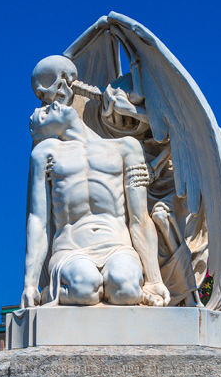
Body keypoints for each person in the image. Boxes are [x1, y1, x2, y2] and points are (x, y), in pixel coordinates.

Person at [21, 101, 169, 308]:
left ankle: (135, 290)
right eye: (43, 115)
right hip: (72, 250)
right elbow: (38, 220)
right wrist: (30, 284)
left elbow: (139, 218)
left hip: (118, 246)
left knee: (125, 289)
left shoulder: (126, 147)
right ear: (41, 133)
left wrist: (154, 279)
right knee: (84, 287)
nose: (51, 105)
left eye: (47, 106)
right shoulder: (45, 153)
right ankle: (51, 292)